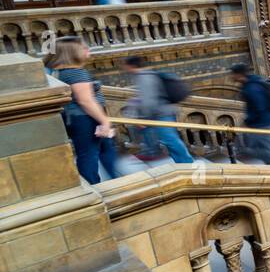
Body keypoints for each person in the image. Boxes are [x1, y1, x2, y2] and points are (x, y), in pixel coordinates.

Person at [47, 36, 119, 184]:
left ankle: (114, 180)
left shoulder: (57, 72)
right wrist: (104, 121)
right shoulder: (76, 73)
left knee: (105, 149)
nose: (88, 50)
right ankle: (93, 187)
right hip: (85, 118)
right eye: (84, 48)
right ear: (72, 52)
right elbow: (86, 101)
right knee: (88, 155)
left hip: (74, 118)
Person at [121, 56, 193, 164]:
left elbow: (149, 101)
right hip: (163, 111)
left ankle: (186, 162)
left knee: (170, 140)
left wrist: (143, 118)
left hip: (161, 113)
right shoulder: (147, 74)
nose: (123, 68)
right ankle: (155, 152)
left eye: (124, 65)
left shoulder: (143, 77)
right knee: (168, 139)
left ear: (130, 66)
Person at [230, 63, 270, 165]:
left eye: (233, 74)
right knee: (258, 147)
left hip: (263, 123)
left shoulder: (252, 88)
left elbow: (260, 107)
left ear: (239, 74)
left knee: (258, 150)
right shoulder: (250, 84)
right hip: (263, 122)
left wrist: (248, 121)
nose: (232, 76)